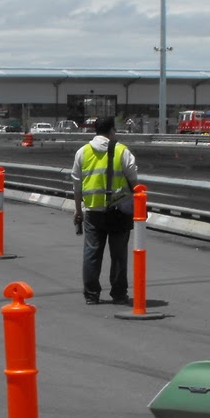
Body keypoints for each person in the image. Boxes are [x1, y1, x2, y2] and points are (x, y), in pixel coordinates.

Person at [71, 116, 138, 304]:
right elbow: (134, 182)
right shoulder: (122, 151)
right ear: (112, 130)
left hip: (93, 211)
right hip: (119, 211)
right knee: (118, 255)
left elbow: (77, 186)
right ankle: (119, 294)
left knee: (92, 253)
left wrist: (78, 210)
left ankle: (91, 295)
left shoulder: (82, 152)